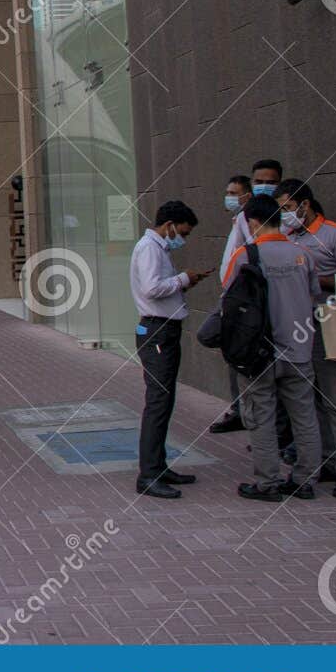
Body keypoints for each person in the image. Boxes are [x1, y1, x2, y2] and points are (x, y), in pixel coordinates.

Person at [221, 194, 324, 501]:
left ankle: (268, 483)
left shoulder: (244, 255)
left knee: (261, 418)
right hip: (299, 349)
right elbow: (314, 294)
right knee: (305, 417)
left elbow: (228, 298)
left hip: (258, 354)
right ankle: (305, 481)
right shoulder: (303, 253)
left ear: (252, 222)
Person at [277, 179, 336, 498]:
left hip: (331, 321)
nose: (284, 215)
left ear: (305, 204)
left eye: (288, 208)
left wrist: (317, 280)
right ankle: (329, 460)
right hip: (299, 326)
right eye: (280, 210)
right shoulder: (288, 236)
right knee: (312, 398)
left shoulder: (335, 234)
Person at [130, 200, 211, 499]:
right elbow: (151, 288)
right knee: (158, 403)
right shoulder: (150, 248)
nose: (183, 239)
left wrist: (183, 283)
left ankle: (158, 466)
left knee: (164, 401)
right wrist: (183, 278)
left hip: (163, 330)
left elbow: (159, 288)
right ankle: (149, 475)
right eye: (183, 233)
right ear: (169, 226)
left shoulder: (157, 248)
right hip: (157, 332)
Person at [209, 174, 256, 434]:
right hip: (232, 296)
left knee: (232, 348)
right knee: (231, 351)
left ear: (247, 195)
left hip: (242, 301)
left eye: (233, 193)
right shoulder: (238, 219)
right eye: (227, 192)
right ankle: (240, 409)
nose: (228, 197)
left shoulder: (249, 220)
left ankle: (247, 413)